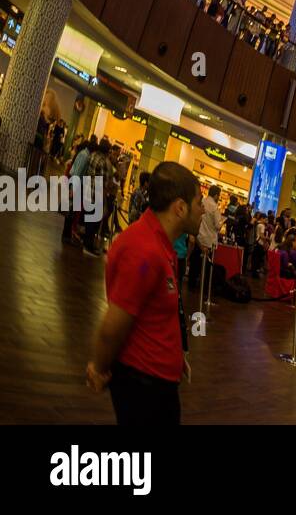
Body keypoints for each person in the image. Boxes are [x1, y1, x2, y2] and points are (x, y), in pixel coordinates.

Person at [86, 162, 203, 425]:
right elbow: (113, 326)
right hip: (143, 383)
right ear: (180, 207)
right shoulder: (144, 250)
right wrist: (99, 367)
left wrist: (175, 352)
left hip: (157, 380)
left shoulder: (162, 245)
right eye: (199, 202)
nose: (203, 209)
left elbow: (157, 309)